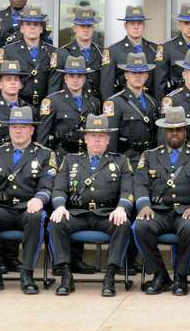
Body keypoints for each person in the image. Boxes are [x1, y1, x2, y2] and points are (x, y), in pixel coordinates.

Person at [48, 114, 135, 297]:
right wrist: (60, 206)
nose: (97, 139)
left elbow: (128, 191)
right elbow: (59, 189)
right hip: (77, 213)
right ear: (85, 138)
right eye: (93, 135)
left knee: (124, 224)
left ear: (108, 139)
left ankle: (110, 277)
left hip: (106, 214)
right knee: (56, 223)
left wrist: (121, 208)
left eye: (102, 135)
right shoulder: (70, 160)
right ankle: (65, 276)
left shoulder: (120, 161)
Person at [0, 105, 57, 295]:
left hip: (28, 208)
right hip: (2, 208)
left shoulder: (44, 154)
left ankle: (27, 274)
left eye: (23, 126)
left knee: (36, 217)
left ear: (32, 130)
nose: (18, 130)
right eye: (14, 126)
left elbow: (47, 184)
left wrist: (39, 199)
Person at [132, 106, 190, 296]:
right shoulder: (149, 156)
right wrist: (144, 205)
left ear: (185, 131)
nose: (175, 133)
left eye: (179, 129)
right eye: (171, 129)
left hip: (185, 210)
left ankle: (181, 276)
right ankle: (160, 274)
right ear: (165, 131)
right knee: (140, 227)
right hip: (158, 211)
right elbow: (140, 183)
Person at [39, 54, 101, 156]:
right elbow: (43, 135)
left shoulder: (94, 102)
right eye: (71, 76)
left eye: (79, 76)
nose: (75, 80)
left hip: (87, 156)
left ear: (84, 79)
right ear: (65, 78)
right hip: (62, 154)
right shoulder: (52, 101)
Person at [101, 5, 167, 101]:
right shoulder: (113, 51)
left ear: (144, 25)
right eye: (132, 23)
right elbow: (107, 86)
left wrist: (159, 106)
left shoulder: (154, 49)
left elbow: (159, 83)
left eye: (139, 23)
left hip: (149, 103)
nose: (136, 27)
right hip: (124, 103)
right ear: (125, 26)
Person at [104, 52, 159, 156]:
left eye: (141, 72)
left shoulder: (152, 102)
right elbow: (110, 138)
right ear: (126, 75)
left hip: (148, 158)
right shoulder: (115, 102)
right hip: (126, 157)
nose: (138, 76)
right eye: (133, 72)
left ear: (146, 75)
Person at [0, 4, 53, 106]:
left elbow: (55, 85)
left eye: (36, 24)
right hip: (18, 105)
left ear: (41, 29)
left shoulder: (51, 52)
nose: (32, 27)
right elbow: (0, 82)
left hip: (44, 106)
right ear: (22, 28)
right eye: (28, 24)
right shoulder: (8, 51)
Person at [49, 5, 104, 99]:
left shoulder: (101, 53)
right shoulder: (62, 54)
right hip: (69, 106)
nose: (86, 30)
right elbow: (54, 88)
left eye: (89, 26)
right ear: (74, 28)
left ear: (93, 28)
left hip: (94, 105)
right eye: (82, 26)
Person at [0, 58, 30, 148]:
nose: (13, 82)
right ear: (0, 84)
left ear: (20, 85)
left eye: (16, 79)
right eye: (8, 79)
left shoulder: (30, 109)